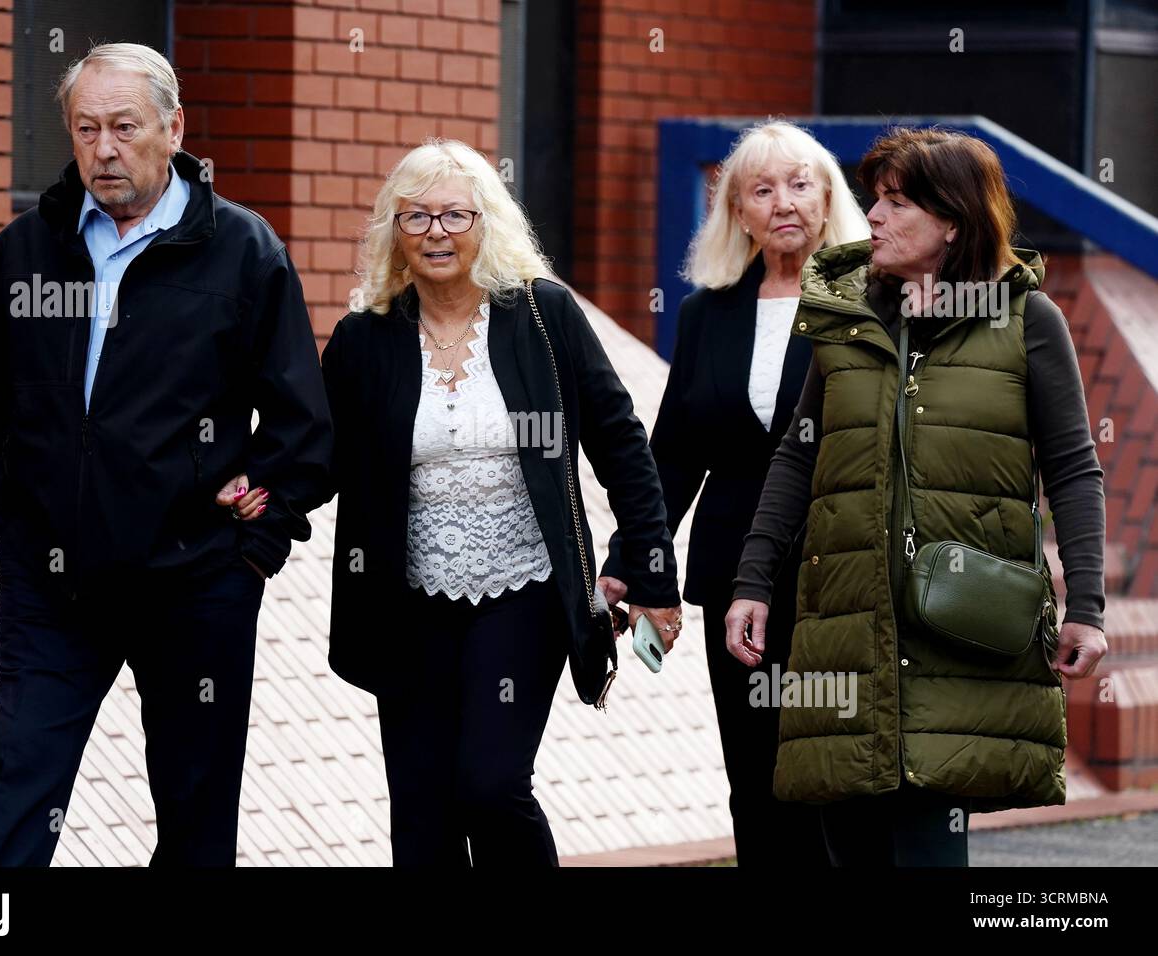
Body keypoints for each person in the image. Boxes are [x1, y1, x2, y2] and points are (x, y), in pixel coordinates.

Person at [0, 43, 332, 866]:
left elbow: (306, 427)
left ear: (174, 129)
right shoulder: (26, 250)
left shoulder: (244, 251)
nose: (104, 148)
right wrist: (6, 522)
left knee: (196, 820)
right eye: (86, 128)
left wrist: (253, 548)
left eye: (125, 126)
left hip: (195, 586)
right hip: (51, 587)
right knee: (18, 795)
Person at [727, 126, 1108, 866]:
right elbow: (795, 462)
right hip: (844, 622)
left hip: (956, 628)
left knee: (929, 837)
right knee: (852, 841)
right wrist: (753, 581)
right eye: (874, 200)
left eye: (896, 203)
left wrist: (1087, 607)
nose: (871, 217)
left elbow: (1073, 467)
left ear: (953, 222)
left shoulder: (1027, 323)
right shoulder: (845, 322)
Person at [320, 138, 682, 866]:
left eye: (454, 214)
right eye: (415, 217)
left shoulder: (542, 318)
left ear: (489, 223)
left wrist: (648, 573)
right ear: (394, 232)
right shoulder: (366, 339)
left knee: (487, 787)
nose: (436, 233)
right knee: (422, 816)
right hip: (407, 600)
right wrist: (244, 496)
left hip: (524, 590)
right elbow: (315, 454)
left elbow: (621, 445)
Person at [600, 120, 868, 867]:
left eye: (800, 183)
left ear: (826, 197)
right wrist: (632, 562)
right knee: (754, 778)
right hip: (734, 571)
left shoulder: (869, 303)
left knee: (828, 772)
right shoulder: (707, 312)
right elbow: (676, 454)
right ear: (738, 212)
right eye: (762, 188)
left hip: (839, 569)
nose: (783, 201)